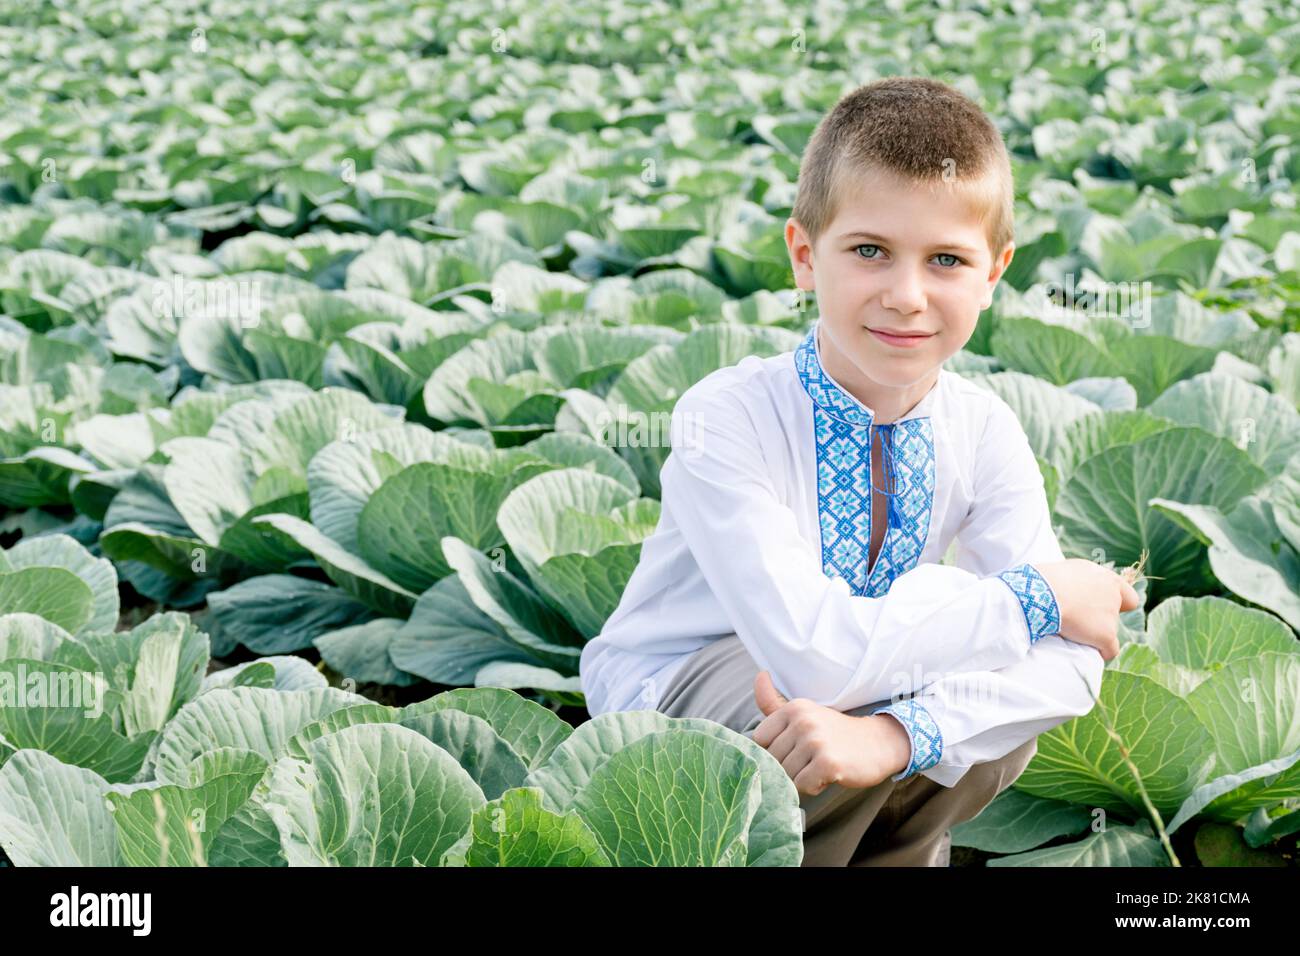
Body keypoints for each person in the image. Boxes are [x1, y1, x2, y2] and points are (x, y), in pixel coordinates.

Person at [578, 76, 1141, 866]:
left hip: (854, 708)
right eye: (870, 251)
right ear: (806, 257)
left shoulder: (984, 427)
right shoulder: (727, 414)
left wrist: (896, 736)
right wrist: (1040, 593)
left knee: (972, 693)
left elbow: (1077, 665)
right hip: (678, 711)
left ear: (994, 273)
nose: (906, 296)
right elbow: (810, 656)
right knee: (893, 664)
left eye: (946, 259)